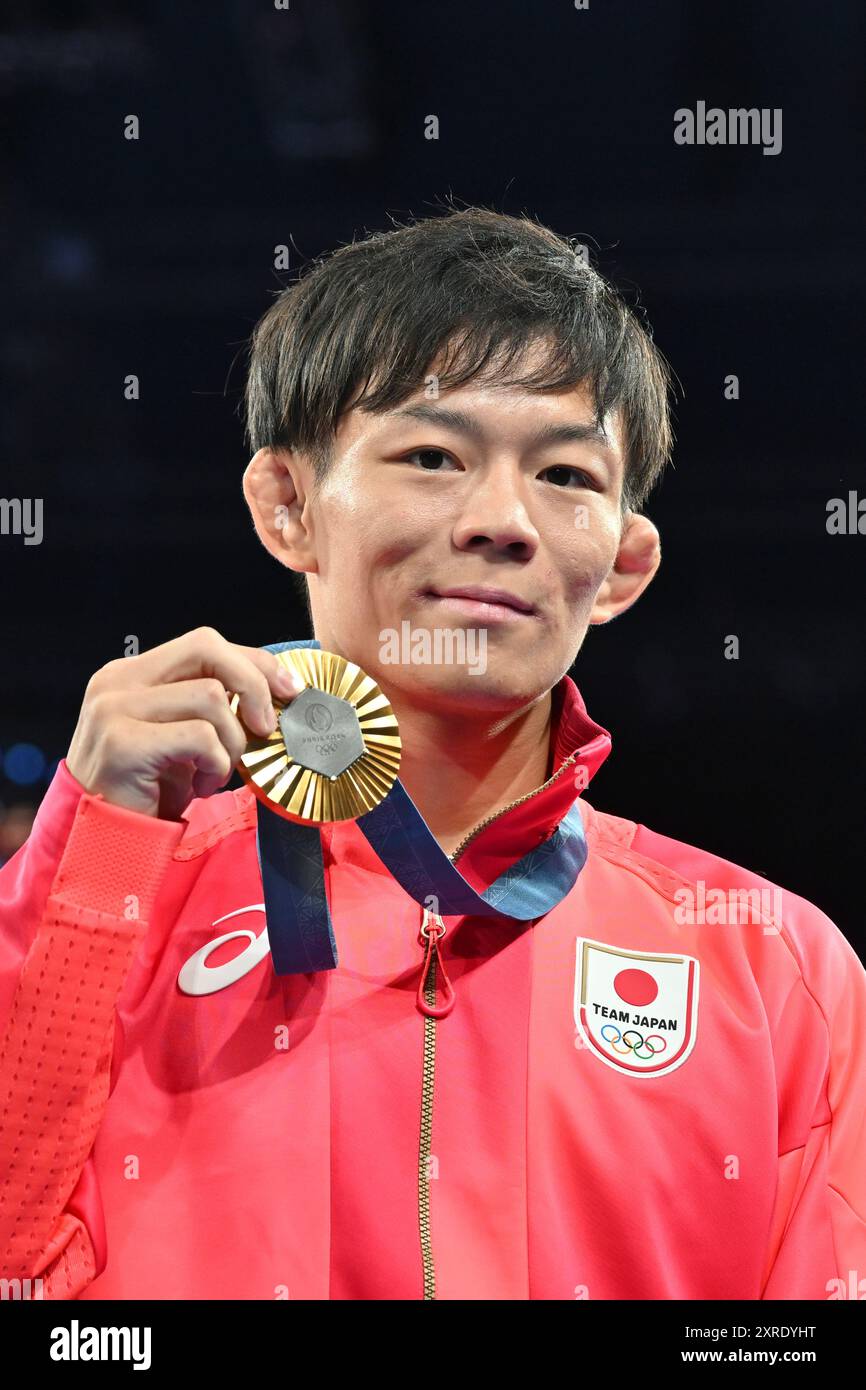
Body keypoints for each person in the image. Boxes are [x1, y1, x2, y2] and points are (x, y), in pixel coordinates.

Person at [1, 208, 864, 1301]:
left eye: (564, 475)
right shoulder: (115, 905)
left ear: (620, 567)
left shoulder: (771, 965)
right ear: (287, 507)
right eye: (430, 453)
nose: (500, 518)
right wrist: (89, 865)